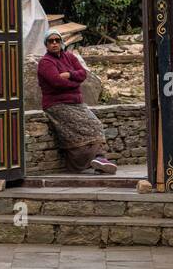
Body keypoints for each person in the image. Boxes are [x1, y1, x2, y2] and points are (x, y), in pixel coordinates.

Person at [37, 31, 117, 173]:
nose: (54, 43)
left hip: (76, 103)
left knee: (96, 124)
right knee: (84, 128)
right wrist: (76, 83)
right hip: (57, 104)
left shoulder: (69, 57)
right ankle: (98, 158)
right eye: (51, 41)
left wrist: (69, 75)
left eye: (57, 40)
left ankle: (99, 159)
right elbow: (56, 82)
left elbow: (83, 73)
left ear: (61, 42)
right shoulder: (45, 63)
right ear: (46, 45)